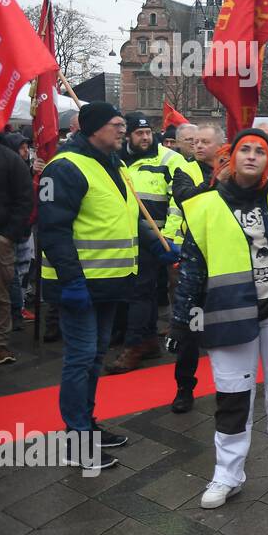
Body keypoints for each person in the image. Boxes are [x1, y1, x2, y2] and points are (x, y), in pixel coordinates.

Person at [172, 129, 268, 508]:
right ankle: (227, 474)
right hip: (228, 310)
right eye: (245, 150)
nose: (252, 156)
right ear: (231, 156)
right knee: (232, 396)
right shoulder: (204, 205)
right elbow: (192, 266)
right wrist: (180, 319)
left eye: (261, 151)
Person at [40, 103, 180, 469]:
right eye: (116, 124)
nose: (123, 129)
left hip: (109, 283)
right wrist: (71, 282)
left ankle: (87, 424)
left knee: (95, 357)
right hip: (79, 286)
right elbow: (53, 232)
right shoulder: (65, 168)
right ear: (94, 129)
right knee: (81, 358)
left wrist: (158, 247)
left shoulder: (115, 165)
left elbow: (129, 218)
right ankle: (75, 439)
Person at [105, 112, 185, 374]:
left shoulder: (169, 158)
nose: (145, 137)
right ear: (128, 135)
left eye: (148, 132)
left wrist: (170, 236)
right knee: (142, 291)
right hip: (128, 237)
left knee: (140, 292)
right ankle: (148, 339)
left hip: (158, 239)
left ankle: (135, 345)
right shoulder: (117, 161)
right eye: (139, 133)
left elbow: (179, 200)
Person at [166, 122, 229, 412]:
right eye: (195, 142)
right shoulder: (185, 170)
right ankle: (183, 388)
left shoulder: (237, 170)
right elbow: (186, 198)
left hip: (227, 258)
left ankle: (228, 387)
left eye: (205, 142)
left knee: (225, 329)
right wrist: (216, 180)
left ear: (221, 145)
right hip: (195, 261)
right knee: (190, 329)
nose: (198, 146)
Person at [0, 129, 34, 364]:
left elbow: (25, 200)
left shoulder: (9, 159)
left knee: (0, 294)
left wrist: (7, 236)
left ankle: (0, 343)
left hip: (0, 239)